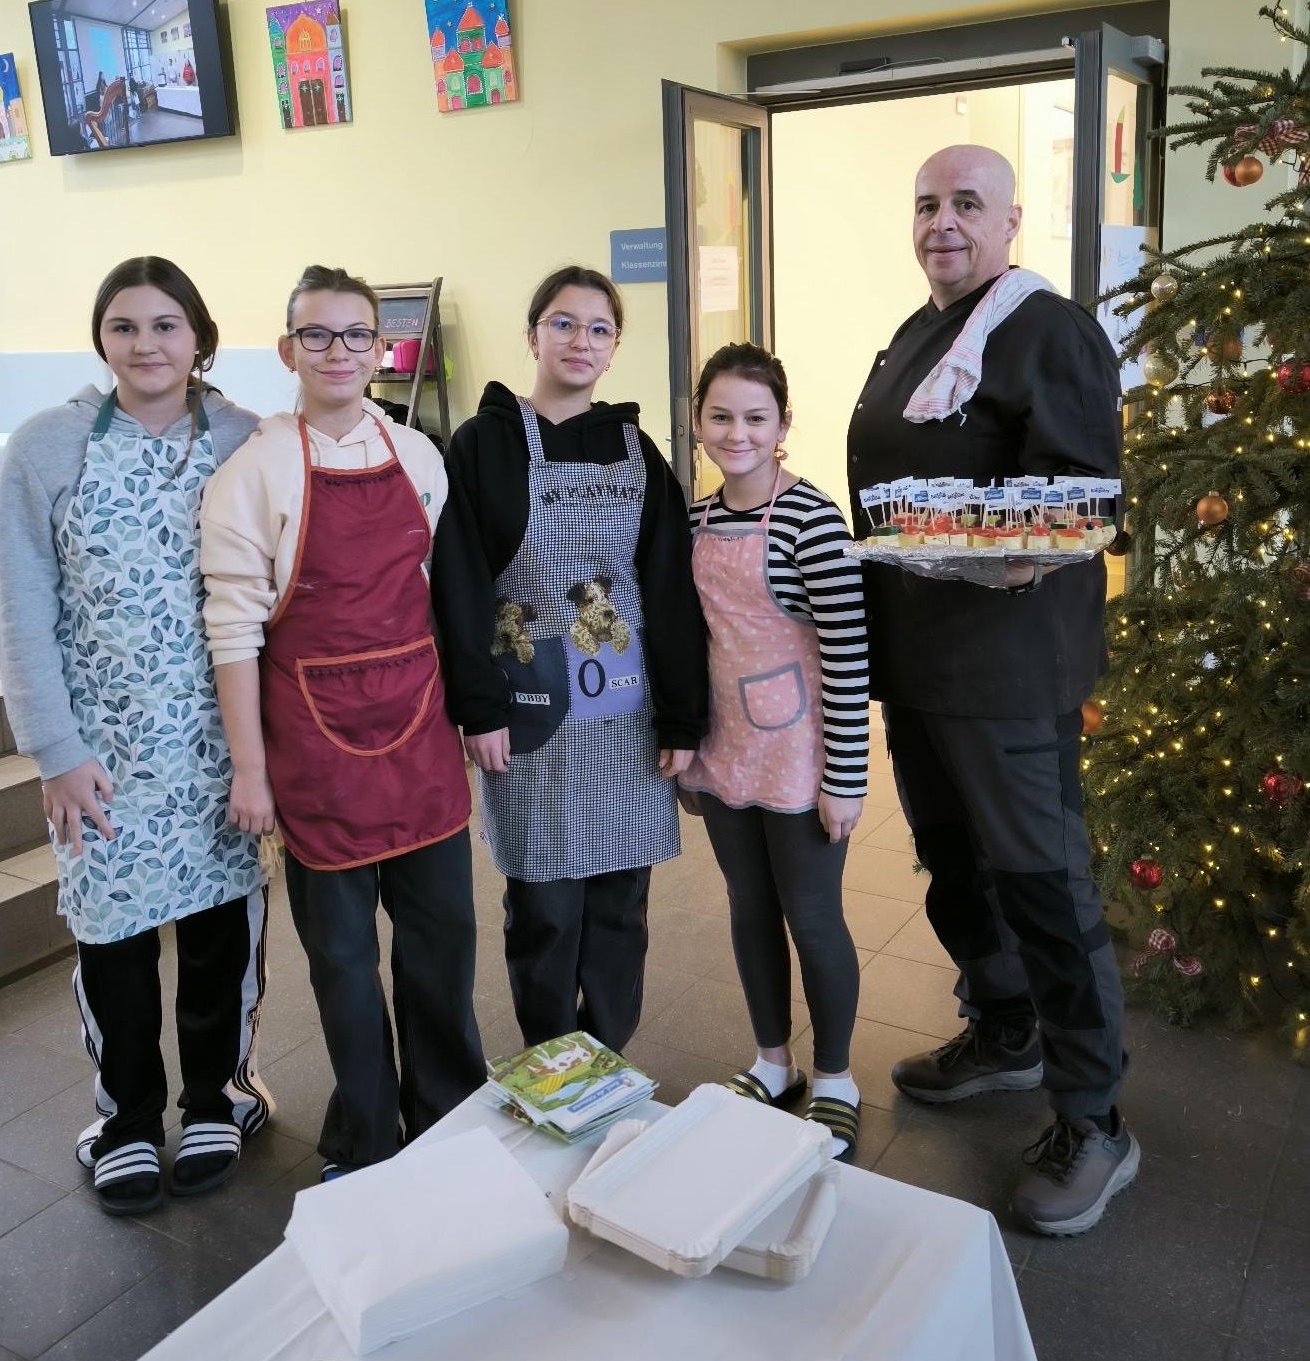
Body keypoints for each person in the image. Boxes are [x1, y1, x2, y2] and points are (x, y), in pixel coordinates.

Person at [847, 144, 1137, 1234]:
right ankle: (1005, 1025)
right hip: (919, 661)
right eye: (925, 204)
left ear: (1011, 220)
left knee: (1040, 881)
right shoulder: (922, 331)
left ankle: (1095, 1117)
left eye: (966, 204)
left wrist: (973, 542)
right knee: (954, 865)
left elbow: (1080, 505)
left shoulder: (1043, 329)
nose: (942, 223)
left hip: (1008, 671)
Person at [0, 257, 271, 1217]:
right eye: (124, 327)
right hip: (100, 754)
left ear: (200, 337)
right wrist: (54, 751)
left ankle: (213, 1100)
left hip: (220, 745)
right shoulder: (47, 447)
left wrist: (266, 753)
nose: (145, 345)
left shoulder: (244, 439)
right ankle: (128, 1118)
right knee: (111, 940)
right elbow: (19, 612)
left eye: (165, 326)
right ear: (100, 339)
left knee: (218, 936)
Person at [201, 265, 485, 1181]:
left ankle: (446, 1115)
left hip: (419, 735)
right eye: (316, 336)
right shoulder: (254, 470)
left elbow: (440, 599)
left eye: (355, 335)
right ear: (287, 350)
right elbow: (235, 629)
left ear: (381, 348)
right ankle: (367, 1140)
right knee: (343, 965)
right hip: (314, 747)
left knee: (442, 945)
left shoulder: (420, 458)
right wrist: (252, 770)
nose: (337, 352)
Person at [432, 265, 708, 1054]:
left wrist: (684, 715)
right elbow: (457, 585)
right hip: (528, 711)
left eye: (597, 328)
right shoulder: (482, 444)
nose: (579, 340)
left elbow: (669, 589)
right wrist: (477, 706)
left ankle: (607, 1062)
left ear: (615, 346)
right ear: (531, 337)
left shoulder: (637, 450)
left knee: (621, 909)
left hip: (625, 715)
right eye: (562, 323)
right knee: (546, 907)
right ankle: (554, 1062)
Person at [678, 344, 868, 1158]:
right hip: (725, 747)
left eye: (756, 417)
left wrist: (846, 777)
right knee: (749, 908)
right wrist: (685, 749)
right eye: (720, 415)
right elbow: (690, 642)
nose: (737, 432)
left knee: (813, 918)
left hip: (800, 753)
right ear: (696, 423)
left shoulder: (812, 517)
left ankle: (834, 1076)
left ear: (784, 425)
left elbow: (848, 651)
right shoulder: (694, 519)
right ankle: (771, 1061)